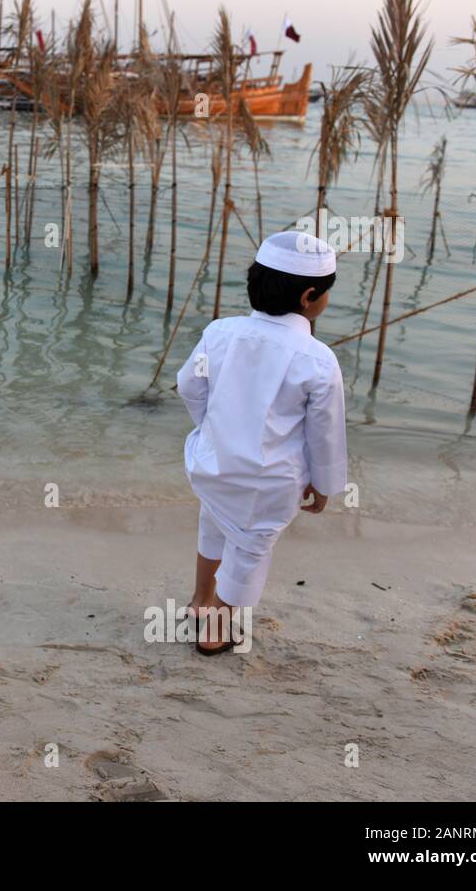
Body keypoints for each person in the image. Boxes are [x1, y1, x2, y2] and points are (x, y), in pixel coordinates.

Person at [175, 231, 346, 654]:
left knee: (213, 521)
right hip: (268, 481)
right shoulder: (318, 359)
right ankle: (215, 631)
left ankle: (200, 601)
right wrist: (324, 485)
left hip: (213, 465)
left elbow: (188, 386)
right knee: (251, 548)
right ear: (310, 296)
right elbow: (324, 433)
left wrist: (212, 428)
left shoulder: (220, 332)